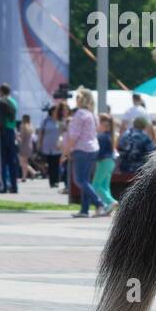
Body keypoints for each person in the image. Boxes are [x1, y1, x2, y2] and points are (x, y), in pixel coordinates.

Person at [61, 87, 102, 217]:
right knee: (85, 180)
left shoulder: (79, 114)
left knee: (80, 180)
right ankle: (84, 210)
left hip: (81, 149)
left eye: (77, 97)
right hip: (92, 149)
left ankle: (99, 203)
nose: (76, 99)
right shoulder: (92, 114)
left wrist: (65, 153)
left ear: (83, 99)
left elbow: (74, 136)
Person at [0, 83, 19, 193]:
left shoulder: (0, 102)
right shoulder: (14, 102)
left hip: (2, 132)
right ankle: (14, 186)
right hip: (12, 131)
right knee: (12, 160)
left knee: (1, 161)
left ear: (1, 91)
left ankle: (2, 186)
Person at [92, 113, 118, 214]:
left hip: (103, 162)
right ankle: (108, 206)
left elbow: (99, 152)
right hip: (110, 162)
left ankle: (110, 201)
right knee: (104, 186)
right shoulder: (109, 135)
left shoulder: (101, 137)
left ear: (103, 123)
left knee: (96, 185)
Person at [39, 101, 66, 189]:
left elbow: (64, 132)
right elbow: (41, 133)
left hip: (58, 145)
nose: (55, 112)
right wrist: (39, 144)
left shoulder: (61, 121)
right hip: (47, 146)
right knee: (50, 164)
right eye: (54, 111)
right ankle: (51, 181)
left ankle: (57, 181)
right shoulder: (46, 121)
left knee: (57, 164)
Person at [17, 114, 37, 181]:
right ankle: (24, 177)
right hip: (29, 145)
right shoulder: (31, 126)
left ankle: (31, 172)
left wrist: (17, 137)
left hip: (23, 145)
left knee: (22, 162)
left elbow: (22, 138)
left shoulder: (23, 126)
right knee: (25, 162)